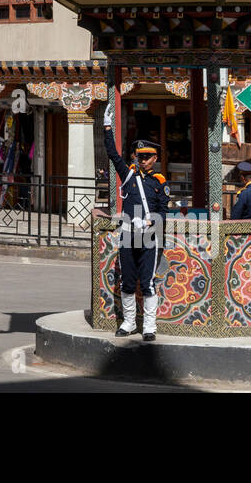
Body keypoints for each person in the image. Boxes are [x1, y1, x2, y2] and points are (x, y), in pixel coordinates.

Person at [102, 100, 169, 342]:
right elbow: (112, 154)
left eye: (147, 156)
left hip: (150, 237)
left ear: (155, 158)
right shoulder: (128, 175)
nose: (143, 160)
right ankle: (129, 322)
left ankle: (149, 326)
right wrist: (107, 127)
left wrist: (152, 222)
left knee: (148, 282)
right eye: (140, 156)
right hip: (129, 235)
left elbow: (164, 211)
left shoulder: (160, 181)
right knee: (128, 281)